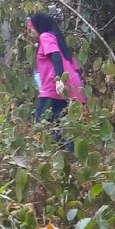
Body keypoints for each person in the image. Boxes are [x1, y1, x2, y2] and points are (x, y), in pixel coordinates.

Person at [28, 12, 86, 149]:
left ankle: (56, 152)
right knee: (60, 124)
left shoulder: (45, 36)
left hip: (55, 88)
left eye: (30, 29)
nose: (29, 32)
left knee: (42, 120)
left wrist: (59, 80)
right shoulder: (56, 39)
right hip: (66, 89)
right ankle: (67, 154)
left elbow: (56, 57)